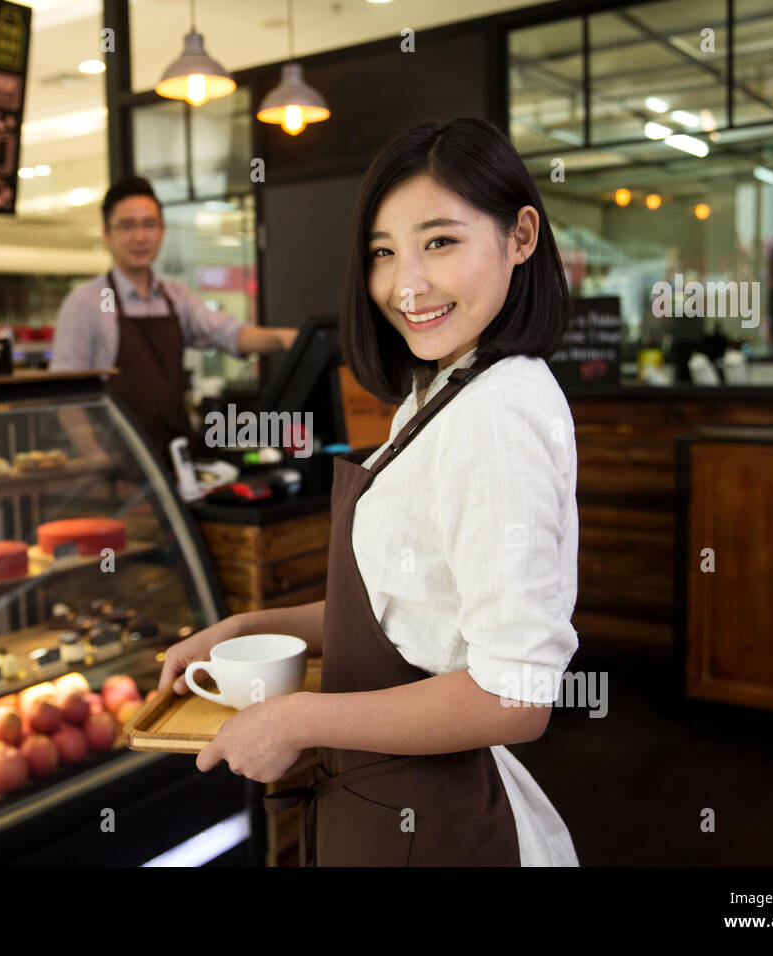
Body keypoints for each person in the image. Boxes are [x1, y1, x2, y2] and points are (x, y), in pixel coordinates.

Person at [159, 117, 580, 866]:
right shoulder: (446, 388)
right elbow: (411, 608)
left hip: (433, 822)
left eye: (440, 242)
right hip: (384, 801)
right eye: (384, 253)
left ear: (521, 236)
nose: (405, 284)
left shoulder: (497, 417)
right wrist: (247, 626)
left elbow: (515, 697)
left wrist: (297, 719)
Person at [50, 177, 296, 465]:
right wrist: (98, 460)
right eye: (127, 226)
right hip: (122, 463)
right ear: (107, 234)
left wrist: (284, 338)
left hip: (179, 457)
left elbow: (228, 334)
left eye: (149, 224)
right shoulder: (85, 303)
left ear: (162, 231)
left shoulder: (176, 296)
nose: (140, 237)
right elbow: (66, 398)